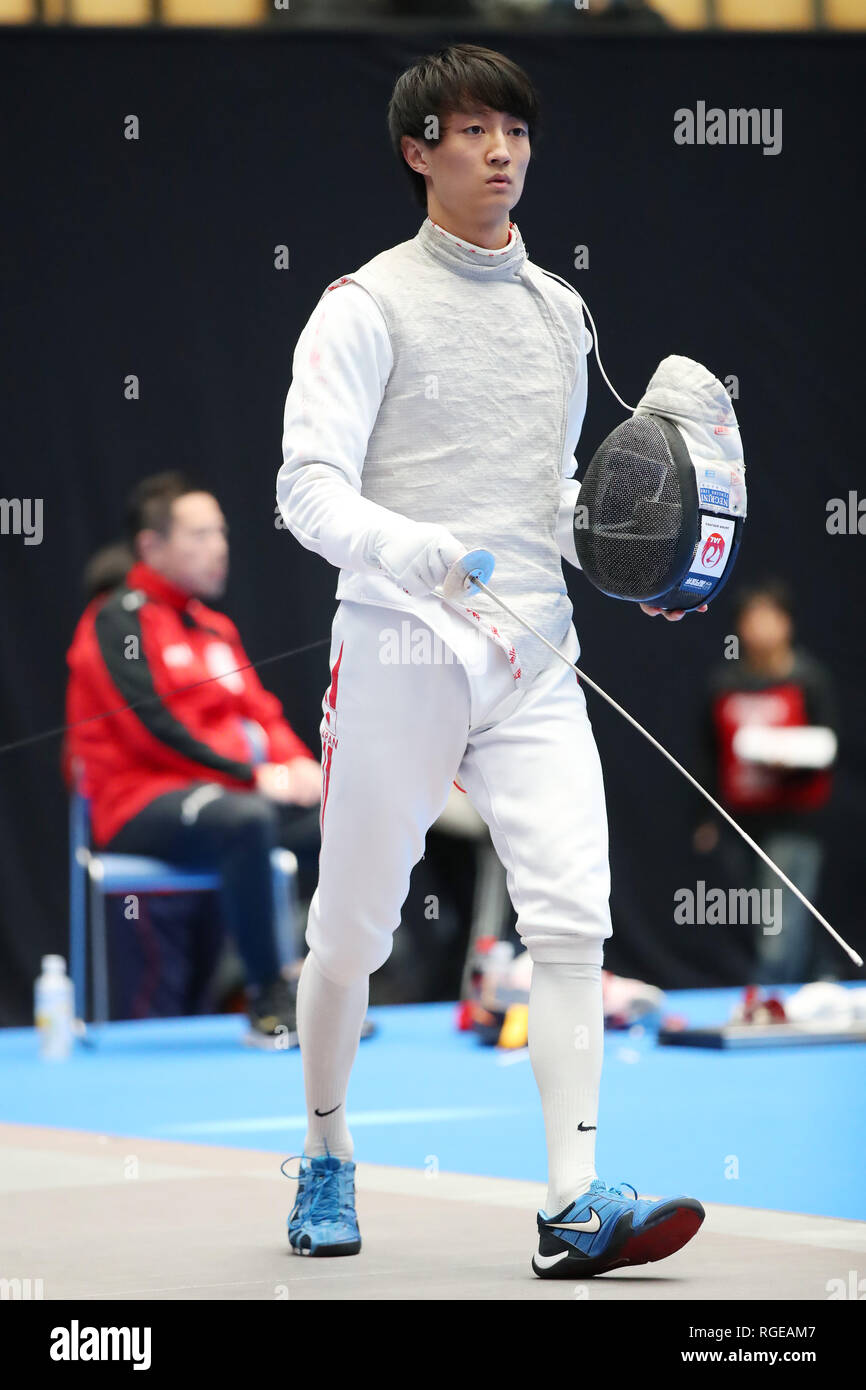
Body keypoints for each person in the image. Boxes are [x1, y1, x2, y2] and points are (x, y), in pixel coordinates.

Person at [276, 43, 708, 1278]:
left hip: (531, 654)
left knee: (572, 916)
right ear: (418, 153)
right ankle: (325, 1151)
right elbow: (304, 489)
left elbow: (555, 495)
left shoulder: (557, 310)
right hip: (400, 644)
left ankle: (573, 1200)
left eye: (511, 129)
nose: (498, 150)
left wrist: (640, 567)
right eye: (468, 132)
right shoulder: (362, 306)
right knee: (351, 929)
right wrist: (413, 549)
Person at [64, 472, 328, 1043]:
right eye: (200, 534)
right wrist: (256, 774)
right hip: (137, 806)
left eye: (222, 533)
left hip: (223, 801)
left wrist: (303, 766)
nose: (219, 547)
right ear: (151, 547)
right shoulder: (116, 621)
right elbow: (150, 730)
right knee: (247, 818)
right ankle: (268, 999)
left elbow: (262, 713)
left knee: (345, 820)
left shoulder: (215, 627)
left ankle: (326, 984)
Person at [695, 579, 838, 985]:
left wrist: (788, 759)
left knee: (781, 922)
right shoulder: (725, 683)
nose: (759, 628)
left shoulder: (809, 679)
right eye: (751, 618)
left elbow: (828, 746)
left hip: (793, 820)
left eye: (768, 617)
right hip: (741, 821)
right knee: (759, 917)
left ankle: (774, 997)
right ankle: (815, 977)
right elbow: (709, 754)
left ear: (786, 623)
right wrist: (707, 817)